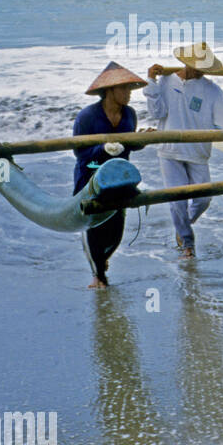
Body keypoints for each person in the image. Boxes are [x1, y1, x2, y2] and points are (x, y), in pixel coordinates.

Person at [144, 42, 223, 259]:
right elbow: (157, 113)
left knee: (203, 199)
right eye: (197, 66)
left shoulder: (210, 89)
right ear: (186, 64)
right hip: (170, 150)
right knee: (177, 201)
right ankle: (188, 244)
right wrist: (151, 83)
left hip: (197, 152)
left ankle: (182, 226)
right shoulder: (166, 81)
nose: (200, 71)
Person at [73, 62, 147, 288]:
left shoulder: (129, 114)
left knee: (116, 230)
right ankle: (98, 276)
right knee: (94, 225)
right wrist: (102, 149)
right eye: (124, 90)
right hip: (91, 175)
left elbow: (129, 146)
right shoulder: (87, 116)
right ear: (109, 91)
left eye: (130, 90)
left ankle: (102, 260)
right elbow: (80, 152)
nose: (129, 95)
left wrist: (141, 140)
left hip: (119, 177)